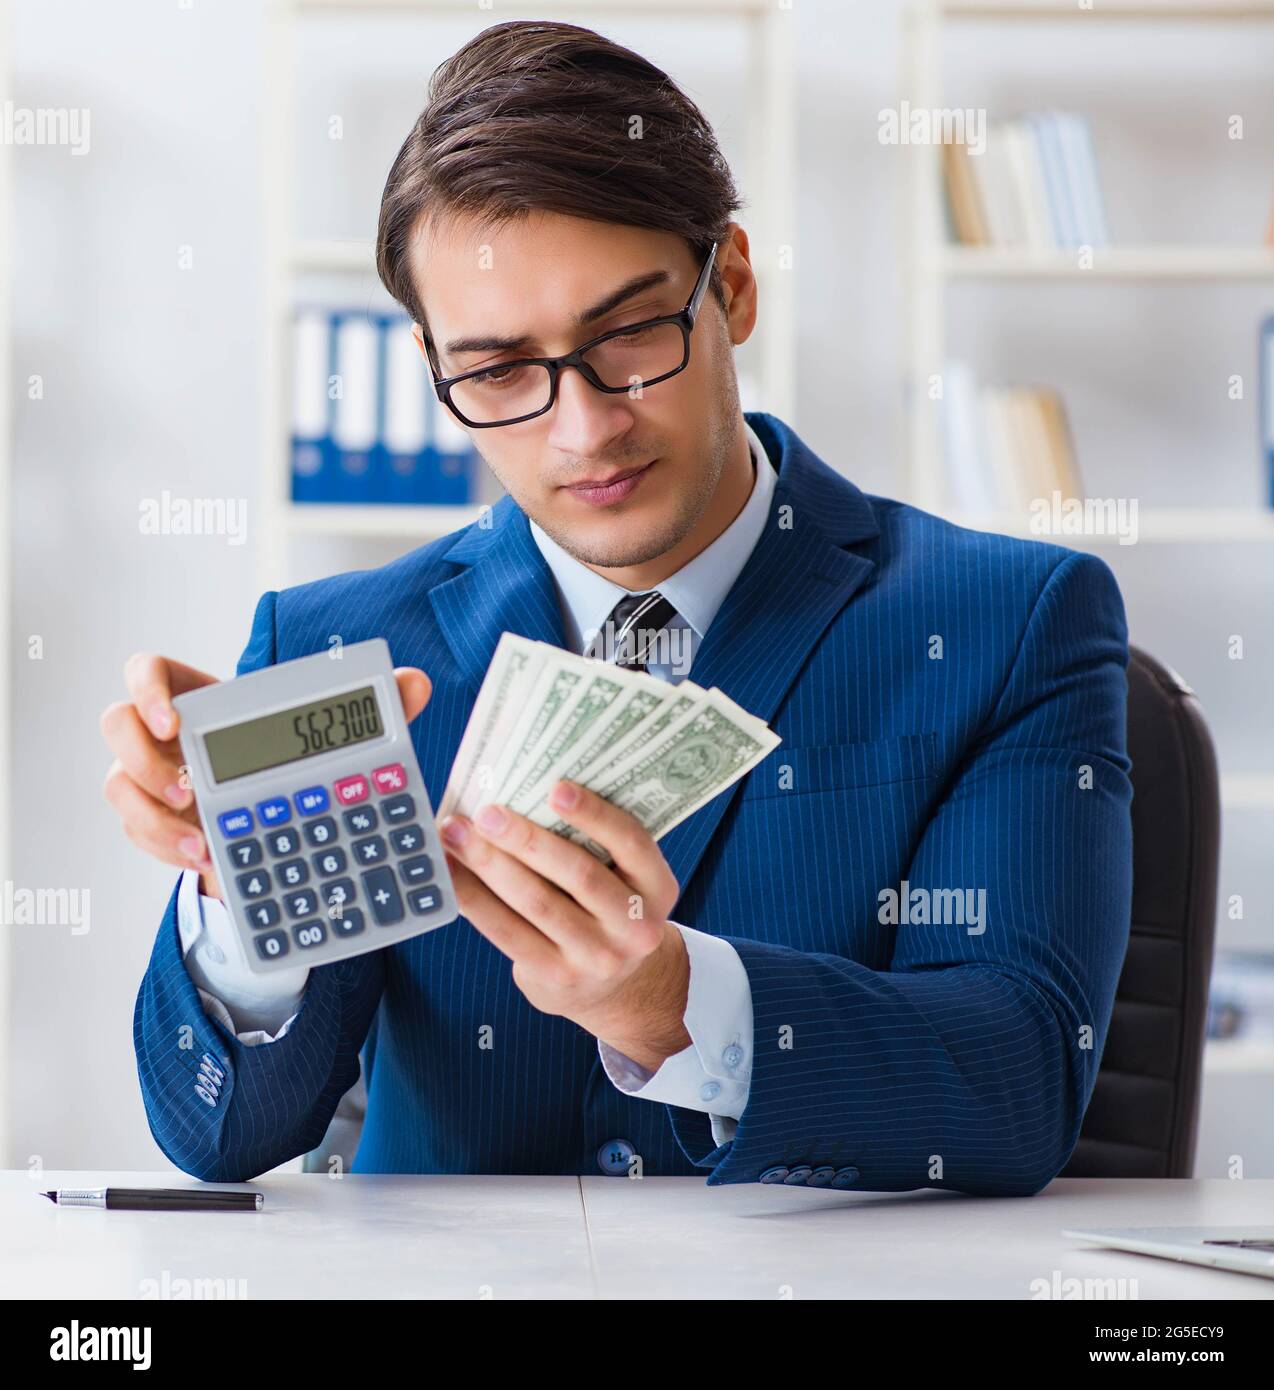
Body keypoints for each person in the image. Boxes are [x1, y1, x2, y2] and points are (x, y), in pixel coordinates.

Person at [104, 20, 1132, 1191]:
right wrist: (240, 900)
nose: (583, 429)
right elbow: (224, 1136)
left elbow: (1017, 1078)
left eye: (631, 334)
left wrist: (676, 1006)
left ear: (730, 286)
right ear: (437, 374)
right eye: (497, 373)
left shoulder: (1010, 622)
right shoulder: (340, 647)